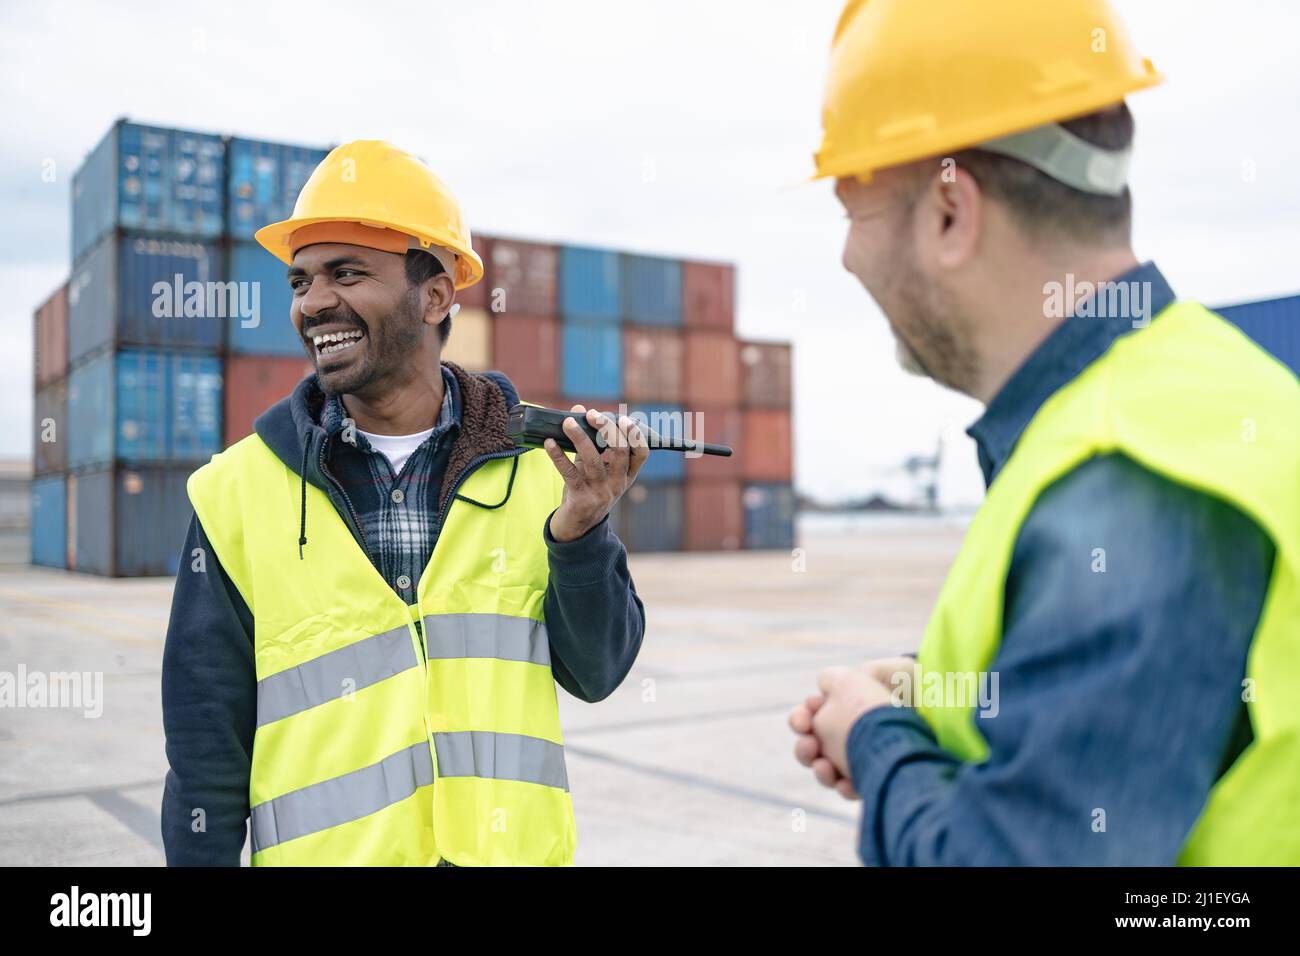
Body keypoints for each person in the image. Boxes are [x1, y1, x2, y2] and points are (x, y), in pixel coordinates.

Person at [789, 0, 1300, 865]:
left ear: (951, 208)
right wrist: (943, 697)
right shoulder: (1209, 393)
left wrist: (878, 740)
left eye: (854, 208)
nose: (847, 257)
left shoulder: (1127, 475)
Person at [161, 140, 649, 866]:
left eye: (347, 273)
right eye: (301, 281)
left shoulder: (542, 474)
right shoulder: (237, 493)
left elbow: (598, 673)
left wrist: (583, 535)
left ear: (436, 295)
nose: (314, 302)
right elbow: (206, 749)